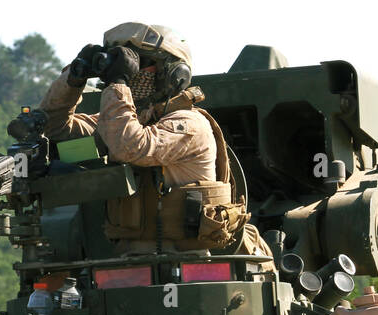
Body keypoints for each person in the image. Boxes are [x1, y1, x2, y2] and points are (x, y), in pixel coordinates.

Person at [38, 22, 273, 265]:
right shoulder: (126, 121)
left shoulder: (189, 124)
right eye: (127, 65)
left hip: (186, 261)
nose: (132, 73)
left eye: (140, 64)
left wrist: (118, 82)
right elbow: (53, 127)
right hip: (130, 258)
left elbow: (130, 146)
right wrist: (74, 77)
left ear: (171, 74)